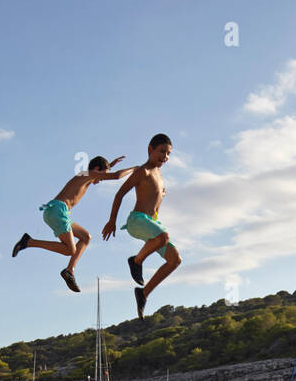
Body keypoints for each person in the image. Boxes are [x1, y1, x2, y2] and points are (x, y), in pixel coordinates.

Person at [13, 155, 135, 292]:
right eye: (103, 176)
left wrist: (110, 165)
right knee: (70, 250)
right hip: (58, 211)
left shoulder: (86, 177)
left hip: (57, 211)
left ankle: (69, 271)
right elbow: (117, 176)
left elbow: (103, 174)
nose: (101, 180)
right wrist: (135, 169)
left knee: (86, 237)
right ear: (96, 169)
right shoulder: (87, 174)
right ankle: (29, 242)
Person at [102, 133, 180, 320]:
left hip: (151, 224)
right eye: (162, 152)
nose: (165, 157)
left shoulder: (159, 176)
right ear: (150, 149)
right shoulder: (142, 171)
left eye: (168, 154)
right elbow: (120, 194)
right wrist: (112, 220)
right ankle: (136, 261)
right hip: (137, 220)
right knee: (164, 237)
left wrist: (161, 197)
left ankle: (143, 294)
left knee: (174, 260)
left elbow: (155, 209)